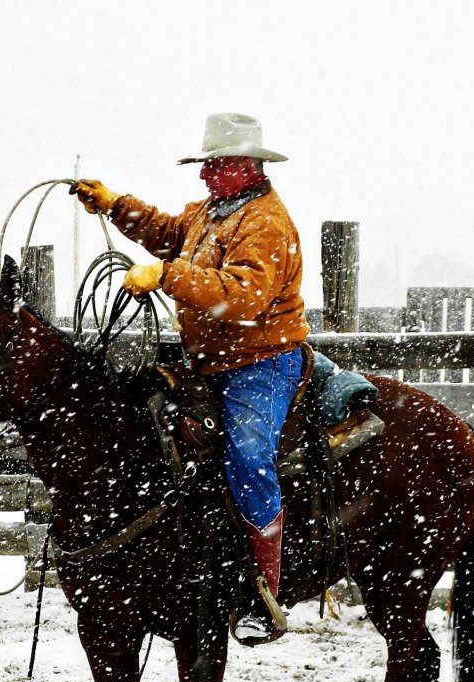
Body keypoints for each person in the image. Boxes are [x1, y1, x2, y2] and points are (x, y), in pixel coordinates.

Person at [72, 113, 309, 642]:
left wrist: (167, 273)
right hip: (209, 361)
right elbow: (166, 231)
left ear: (247, 167)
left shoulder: (266, 222)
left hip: (261, 361)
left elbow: (244, 296)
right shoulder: (211, 213)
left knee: (249, 456)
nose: (204, 175)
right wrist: (114, 204)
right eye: (205, 165)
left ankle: (264, 591)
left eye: (215, 165)